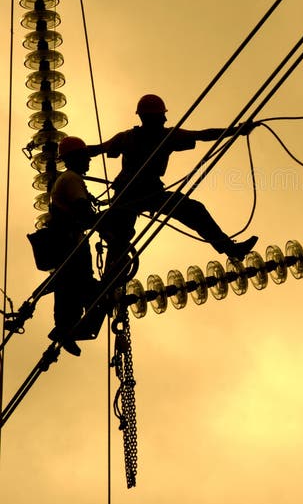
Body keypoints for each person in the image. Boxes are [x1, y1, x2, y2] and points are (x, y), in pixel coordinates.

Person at [86, 95, 258, 279]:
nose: (165, 119)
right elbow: (202, 134)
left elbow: (97, 149)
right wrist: (236, 131)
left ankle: (231, 249)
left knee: (191, 211)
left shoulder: (136, 137)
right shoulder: (155, 136)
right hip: (132, 196)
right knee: (121, 235)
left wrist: (235, 131)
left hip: (141, 194)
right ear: (152, 118)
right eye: (162, 116)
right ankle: (110, 280)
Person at [47, 135, 106, 356]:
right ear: (76, 158)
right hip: (72, 245)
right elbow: (83, 210)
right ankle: (70, 329)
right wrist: (106, 225)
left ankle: (66, 329)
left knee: (69, 289)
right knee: (89, 290)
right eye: (85, 157)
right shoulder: (71, 179)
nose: (89, 161)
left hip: (70, 244)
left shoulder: (67, 179)